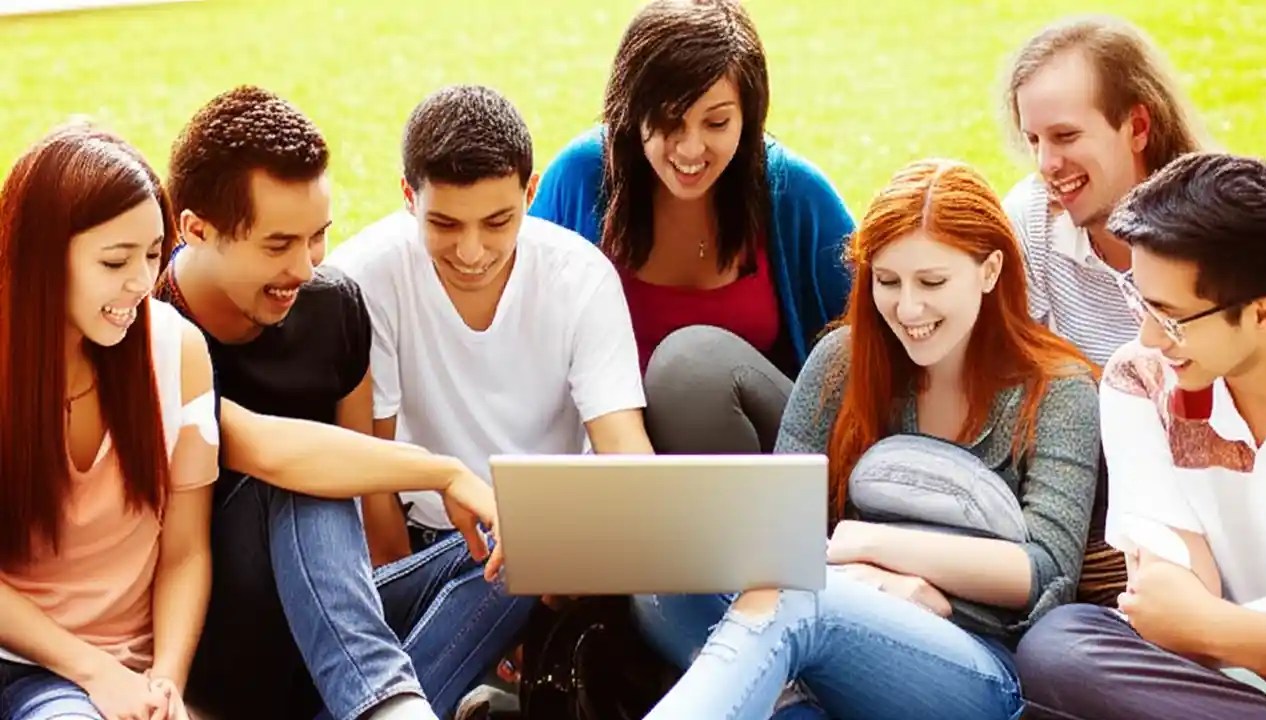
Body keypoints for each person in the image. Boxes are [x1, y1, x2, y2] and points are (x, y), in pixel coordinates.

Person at [634, 159, 1102, 720]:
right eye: (888, 281)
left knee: (792, 602)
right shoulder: (842, 361)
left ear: (990, 270)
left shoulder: (1059, 389)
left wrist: (875, 551)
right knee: (666, 580)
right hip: (835, 614)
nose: (908, 308)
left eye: (932, 282)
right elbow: (782, 532)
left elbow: (1047, 570)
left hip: (974, 665)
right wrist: (866, 580)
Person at [158, 86, 530, 720]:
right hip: (218, 640)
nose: (305, 268)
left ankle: (375, 704)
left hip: (331, 614)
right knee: (304, 472)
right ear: (196, 230)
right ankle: (386, 702)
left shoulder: (333, 309)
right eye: (278, 244)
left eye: (317, 237)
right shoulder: (153, 331)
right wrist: (443, 472)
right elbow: (278, 453)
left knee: (519, 555)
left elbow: (371, 509)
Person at [327, 84, 653, 557]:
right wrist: (399, 588)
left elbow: (622, 446)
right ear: (409, 197)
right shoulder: (365, 278)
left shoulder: (582, 278)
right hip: (428, 540)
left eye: (497, 222)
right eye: (445, 224)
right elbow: (372, 479)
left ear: (531, 192)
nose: (471, 252)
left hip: (554, 534)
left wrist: (584, 557)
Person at [1015, 153, 1266, 719]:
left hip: (1215, 671)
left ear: (1263, 315)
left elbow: (1193, 621)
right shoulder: (1140, 378)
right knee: (1061, 647)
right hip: (1223, 685)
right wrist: (1219, 632)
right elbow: (1167, 604)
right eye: (1140, 300)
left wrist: (1211, 626)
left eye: (1171, 317)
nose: (1149, 337)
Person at [529, 0, 854, 454]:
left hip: (771, 456)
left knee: (689, 368)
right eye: (669, 121)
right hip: (613, 456)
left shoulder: (794, 193)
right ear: (633, 109)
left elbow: (873, 324)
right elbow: (516, 313)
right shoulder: (581, 177)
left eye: (716, 122)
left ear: (749, 116)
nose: (690, 148)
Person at [0, 124, 218, 719]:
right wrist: (94, 672)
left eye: (153, 254)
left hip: (134, 671)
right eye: (115, 260)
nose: (142, 283)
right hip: (26, 661)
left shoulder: (176, 352)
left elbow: (185, 553)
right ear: (43, 256)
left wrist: (164, 687)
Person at [1000, 13, 1209, 607]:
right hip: (1086, 491)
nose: (1046, 164)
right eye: (1034, 141)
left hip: (1205, 492)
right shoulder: (1032, 223)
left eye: (1065, 137)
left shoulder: (1217, 228)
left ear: (1137, 126)